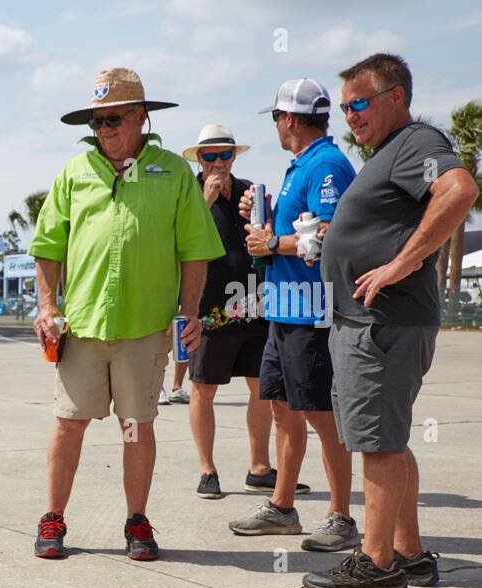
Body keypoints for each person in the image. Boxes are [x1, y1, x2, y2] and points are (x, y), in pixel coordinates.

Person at [303, 53, 478, 588]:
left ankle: (377, 565)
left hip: (382, 324)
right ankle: (409, 554)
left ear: (395, 97)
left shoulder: (415, 144)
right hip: (371, 322)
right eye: (345, 107)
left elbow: (459, 190)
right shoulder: (390, 154)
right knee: (390, 440)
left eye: (359, 103)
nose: (350, 116)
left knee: (378, 444)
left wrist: (402, 262)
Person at [30, 67, 222, 561]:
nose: (105, 130)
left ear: (141, 117)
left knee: (136, 425)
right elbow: (48, 247)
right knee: (68, 422)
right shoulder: (74, 174)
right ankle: (53, 518)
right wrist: (47, 306)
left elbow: (194, 251)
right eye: (96, 122)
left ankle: (137, 521)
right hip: (84, 326)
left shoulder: (174, 173)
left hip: (144, 329)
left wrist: (190, 313)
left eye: (114, 118)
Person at [228, 79, 358, 552]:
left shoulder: (326, 164)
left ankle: (341, 516)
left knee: (322, 416)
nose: (276, 127)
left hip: (312, 314)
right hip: (285, 312)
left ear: (287, 119)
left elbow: (328, 234)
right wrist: (260, 215)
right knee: (281, 408)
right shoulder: (302, 165)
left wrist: (271, 243)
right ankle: (283, 508)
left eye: (276, 118)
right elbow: (299, 228)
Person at [180, 123, 286, 500]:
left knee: (262, 388)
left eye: (226, 154)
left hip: (255, 304)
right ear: (199, 159)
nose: (219, 163)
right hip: (210, 310)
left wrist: (263, 220)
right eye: (210, 156)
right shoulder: (188, 194)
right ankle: (207, 468)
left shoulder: (250, 193)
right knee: (203, 388)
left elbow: (269, 237)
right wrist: (204, 202)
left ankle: (259, 467)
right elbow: (177, 240)